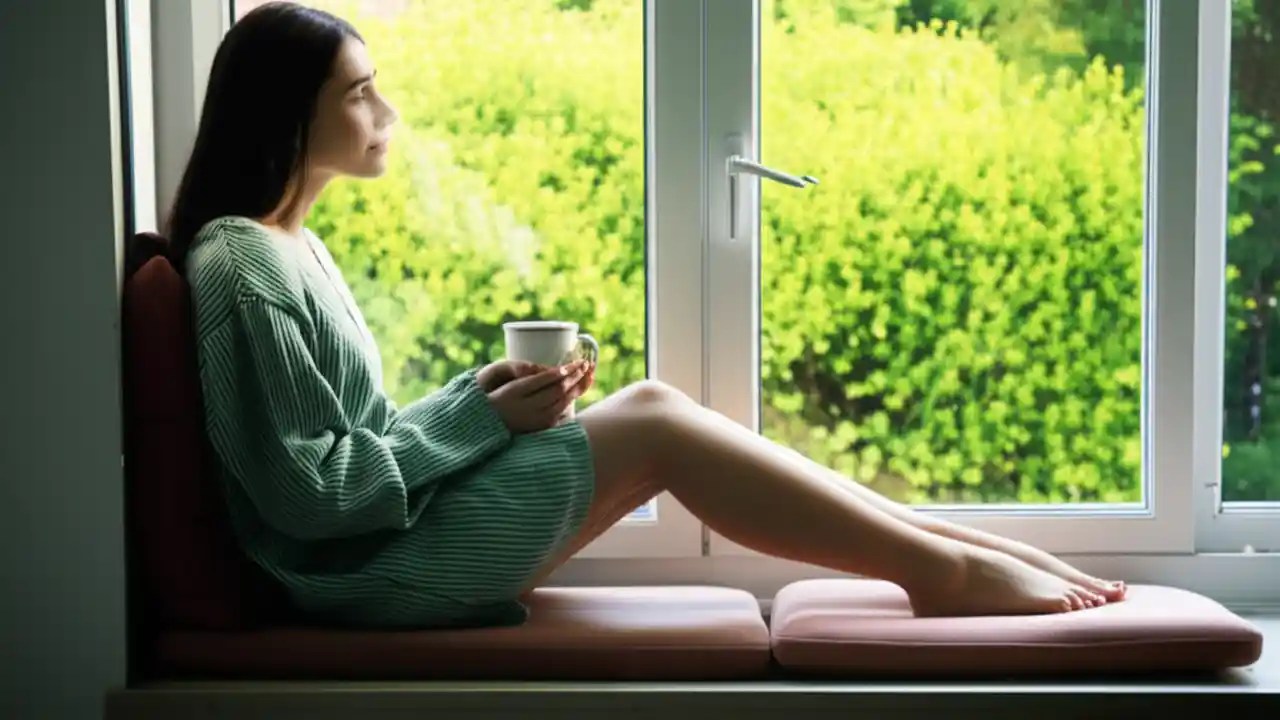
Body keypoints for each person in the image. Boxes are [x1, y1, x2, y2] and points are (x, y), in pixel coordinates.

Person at [165, 1, 1125, 630]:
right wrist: (476, 422)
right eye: (362, 92)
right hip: (357, 577)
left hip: (382, 541)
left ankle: (959, 552)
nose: (388, 111)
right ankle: (944, 574)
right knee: (659, 423)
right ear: (289, 115)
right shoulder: (242, 264)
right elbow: (309, 498)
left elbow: (352, 445)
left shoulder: (289, 243)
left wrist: (480, 398)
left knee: (656, 398)